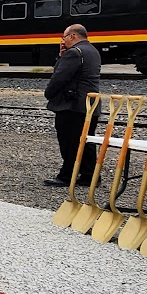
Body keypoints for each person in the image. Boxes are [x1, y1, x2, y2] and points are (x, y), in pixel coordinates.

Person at [44, 24, 103, 187]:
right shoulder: (93, 51)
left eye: (64, 37)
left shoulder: (74, 53)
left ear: (72, 36)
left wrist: (48, 93)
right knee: (86, 141)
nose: (62, 41)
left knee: (69, 142)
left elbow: (59, 77)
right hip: (91, 105)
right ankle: (90, 176)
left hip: (72, 105)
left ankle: (67, 176)